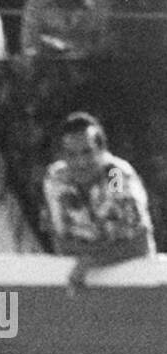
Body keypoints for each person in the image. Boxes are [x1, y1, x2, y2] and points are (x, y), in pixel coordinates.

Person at [43, 111, 157, 290]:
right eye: (72, 154)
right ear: (62, 156)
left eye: (87, 152)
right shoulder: (57, 179)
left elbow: (139, 243)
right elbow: (60, 242)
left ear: (102, 150)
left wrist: (92, 261)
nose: (81, 162)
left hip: (134, 279)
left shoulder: (116, 176)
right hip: (84, 280)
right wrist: (106, 251)